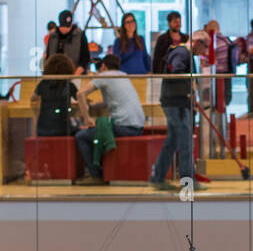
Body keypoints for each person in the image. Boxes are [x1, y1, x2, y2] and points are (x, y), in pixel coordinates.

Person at [74, 53, 146, 185]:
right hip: (138, 126)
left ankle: (96, 175)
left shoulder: (104, 75)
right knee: (99, 130)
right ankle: (101, 171)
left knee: (82, 135)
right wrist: (93, 106)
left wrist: (87, 118)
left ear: (103, 66)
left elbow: (80, 93)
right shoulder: (123, 75)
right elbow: (110, 101)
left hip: (123, 127)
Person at [150, 32, 208, 191]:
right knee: (185, 142)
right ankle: (188, 182)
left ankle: (157, 177)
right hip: (177, 103)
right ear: (198, 42)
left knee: (173, 141)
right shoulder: (182, 53)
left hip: (175, 101)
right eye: (205, 46)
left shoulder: (182, 52)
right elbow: (177, 70)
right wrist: (188, 91)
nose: (205, 50)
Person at [33, 53, 80, 137]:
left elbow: (33, 97)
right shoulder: (69, 85)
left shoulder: (43, 83)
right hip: (63, 130)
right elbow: (79, 97)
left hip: (42, 129)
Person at [44, 9, 91, 75]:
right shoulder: (53, 37)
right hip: (55, 76)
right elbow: (48, 57)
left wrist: (75, 75)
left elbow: (85, 58)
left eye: (68, 26)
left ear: (71, 24)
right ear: (59, 24)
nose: (65, 29)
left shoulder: (80, 35)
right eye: (63, 26)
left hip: (75, 75)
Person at [151, 11, 186, 81]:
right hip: (167, 75)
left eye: (179, 22)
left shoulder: (185, 38)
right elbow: (157, 59)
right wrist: (156, 77)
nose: (178, 24)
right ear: (169, 23)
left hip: (183, 75)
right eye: (175, 22)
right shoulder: (162, 39)